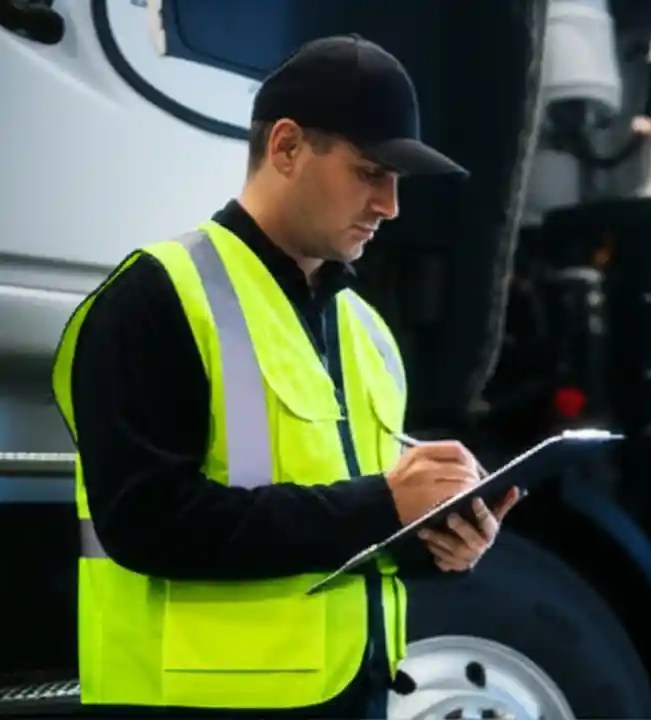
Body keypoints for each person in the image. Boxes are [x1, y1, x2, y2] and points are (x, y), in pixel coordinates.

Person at [49, 34, 520, 717]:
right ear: (287, 148)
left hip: (345, 696)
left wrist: (436, 537)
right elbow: (143, 523)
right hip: (191, 704)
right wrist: (383, 504)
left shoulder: (364, 330)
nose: (390, 204)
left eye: (397, 182)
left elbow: (348, 526)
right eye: (370, 171)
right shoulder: (155, 297)